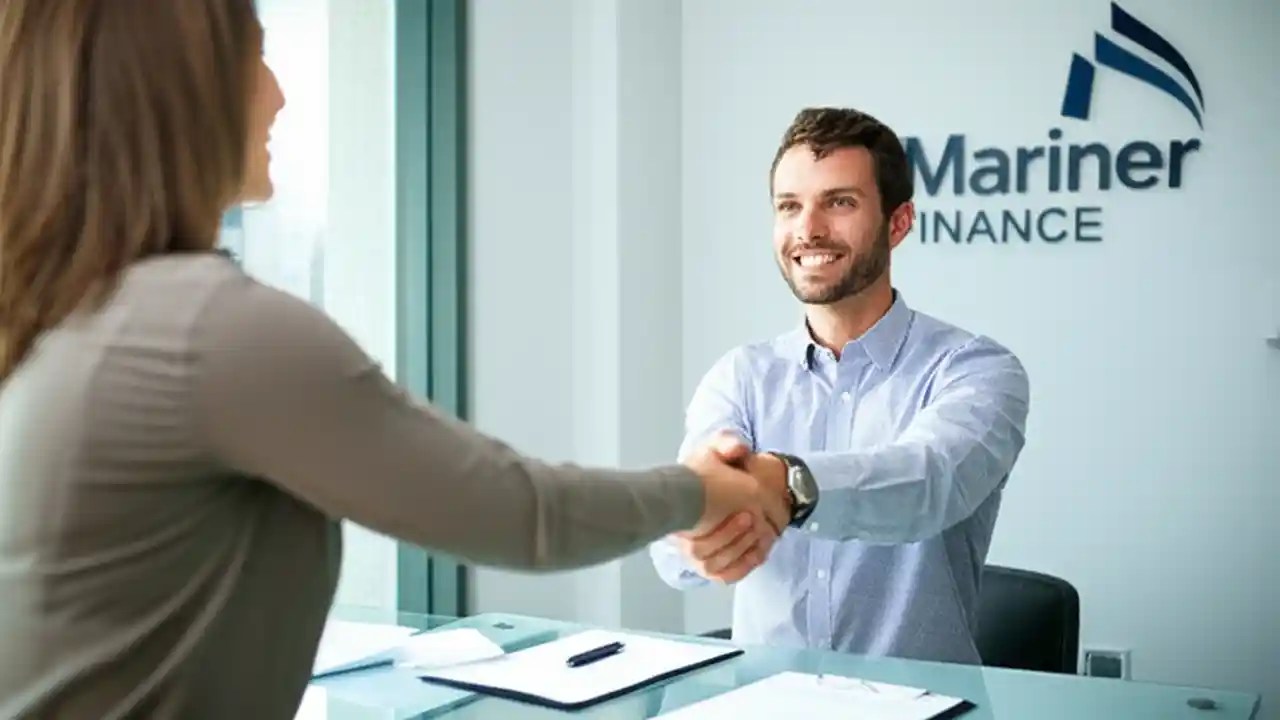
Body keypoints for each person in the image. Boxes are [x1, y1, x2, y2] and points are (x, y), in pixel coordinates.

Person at [0, 2, 787, 718]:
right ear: (175, 92)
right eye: (257, 55)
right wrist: (701, 491)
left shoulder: (68, 306)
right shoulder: (206, 329)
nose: (278, 95)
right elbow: (523, 515)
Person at [649, 107, 1031, 665]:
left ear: (897, 223)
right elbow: (674, 559)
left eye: (840, 202)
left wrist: (785, 483)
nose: (809, 229)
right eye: (789, 207)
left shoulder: (977, 370)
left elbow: (928, 481)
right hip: (766, 705)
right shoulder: (741, 376)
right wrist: (701, 518)